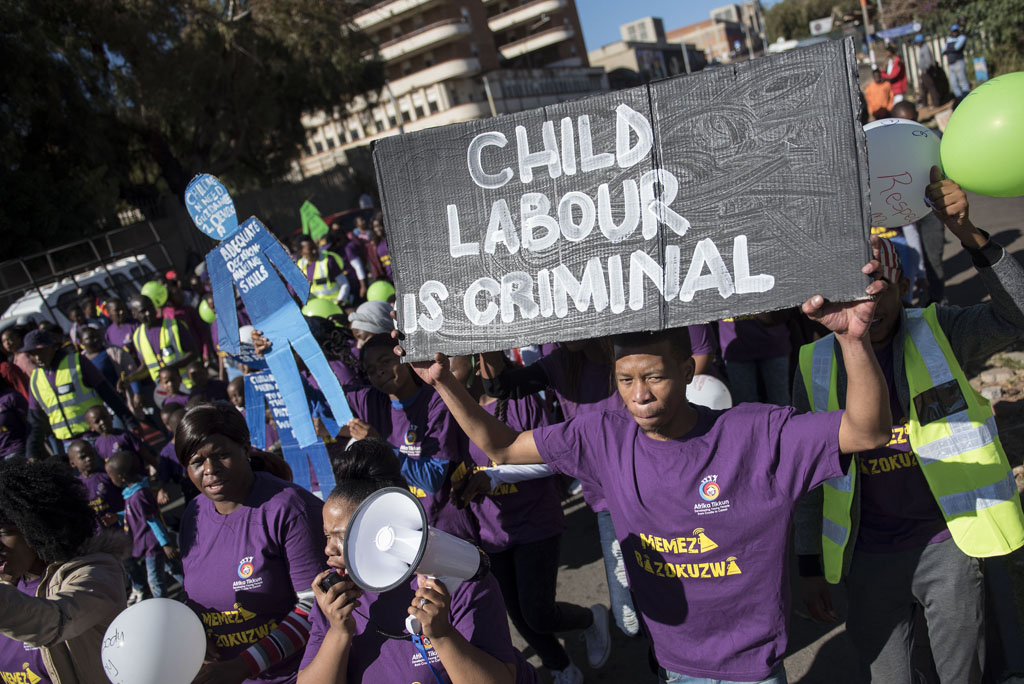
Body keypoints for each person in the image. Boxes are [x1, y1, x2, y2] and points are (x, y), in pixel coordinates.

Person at [395, 246, 894, 682]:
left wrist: (853, 339)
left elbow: (866, 432)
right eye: (625, 380)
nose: (639, 395)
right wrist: (443, 382)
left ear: (685, 369)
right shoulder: (601, 437)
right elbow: (502, 447)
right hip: (673, 665)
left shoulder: (754, 432)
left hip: (753, 669)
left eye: (653, 377)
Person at [794, 172, 1024, 683]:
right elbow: (808, 478)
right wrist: (809, 565)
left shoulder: (941, 330)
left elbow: (1018, 315)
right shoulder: (813, 363)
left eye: (877, 293)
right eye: (852, 298)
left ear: (903, 286)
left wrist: (969, 234)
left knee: (960, 673)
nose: (866, 310)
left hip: (949, 544)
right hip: (868, 555)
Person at [297, 439, 540, 684]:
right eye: (327, 535)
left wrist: (443, 636)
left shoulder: (456, 575)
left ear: (383, 528)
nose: (328, 548)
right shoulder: (334, 602)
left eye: (343, 537)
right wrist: (338, 633)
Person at [450, 354, 608, 684]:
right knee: (519, 616)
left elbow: (554, 459)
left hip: (538, 524)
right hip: (493, 531)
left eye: (452, 359)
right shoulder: (454, 412)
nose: (446, 367)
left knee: (537, 612)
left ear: (478, 362)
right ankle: (562, 666)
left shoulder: (524, 403)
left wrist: (492, 477)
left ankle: (590, 619)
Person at [176, 402, 325, 683]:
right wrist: (195, 635)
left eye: (221, 455)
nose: (210, 469)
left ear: (245, 448)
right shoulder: (193, 515)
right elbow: (193, 594)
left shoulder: (289, 508)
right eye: (197, 462)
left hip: (297, 675)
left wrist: (242, 666)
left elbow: (316, 607)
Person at [0, 459, 126, 683]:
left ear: (37, 525)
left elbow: (55, 621)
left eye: (3, 532)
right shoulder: (8, 585)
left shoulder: (95, 573)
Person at [343, 334, 471, 538]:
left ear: (404, 358)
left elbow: (432, 480)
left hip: (442, 531)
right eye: (371, 370)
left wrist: (379, 447)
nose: (380, 372)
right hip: (395, 532)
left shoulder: (435, 402)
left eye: (385, 362)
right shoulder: (369, 399)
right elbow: (319, 401)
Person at [22, 330, 138, 461]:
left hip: (96, 436)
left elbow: (108, 394)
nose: (37, 358)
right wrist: (32, 452)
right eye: (32, 354)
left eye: (41, 352)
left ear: (53, 347)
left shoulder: (77, 362)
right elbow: (35, 420)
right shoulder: (35, 379)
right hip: (68, 445)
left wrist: (130, 421)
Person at [105, 450, 181, 603]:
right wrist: (118, 516)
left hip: (152, 545)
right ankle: (193, 587)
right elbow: (134, 514)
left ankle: (162, 607)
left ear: (121, 477)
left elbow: (153, 520)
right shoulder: (132, 494)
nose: (110, 479)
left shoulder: (139, 496)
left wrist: (165, 543)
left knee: (155, 580)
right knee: (172, 568)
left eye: (111, 476)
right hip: (151, 544)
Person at [124, 294, 198, 401]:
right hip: (165, 394)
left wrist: (170, 368)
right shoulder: (138, 336)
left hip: (187, 387)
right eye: (143, 311)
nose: (149, 313)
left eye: (150, 308)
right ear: (134, 314)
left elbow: (194, 353)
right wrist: (130, 378)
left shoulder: (174, 325)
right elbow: (145, 367)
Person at [67, 439, 123, 529]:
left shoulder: (109, 475)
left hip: (120, 528)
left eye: (91, 454)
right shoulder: (75, 486)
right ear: (72, 463)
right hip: (100, 536)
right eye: (83, 457)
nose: (88, 458)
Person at [296, 235, 351, 306]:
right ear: (301, 252)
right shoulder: (299, 265)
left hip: (335, 305)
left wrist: (339, 302)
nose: (314, 251)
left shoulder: (328, 261)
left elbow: (344, 284)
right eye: (310, 249)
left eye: (315, 247)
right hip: (316, 308)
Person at [943, 24, 970, 101]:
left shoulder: (962, 37)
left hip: (959, 62)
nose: (954, 33)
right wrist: (949, 49)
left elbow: (956, 47)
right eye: (953, 31)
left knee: (963, 82)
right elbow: (943, 51)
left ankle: (967, 98)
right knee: (953, 84)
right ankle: (960, 99)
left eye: (956, 31)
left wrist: (948, 49)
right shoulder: (949, 40)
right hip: (950, 64)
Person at [914, 34, 941, 109]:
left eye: (917, 42)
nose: (917, 44)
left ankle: (936, 104)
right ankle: (924, 104)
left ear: (920, 42)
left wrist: (926, 69)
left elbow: (928, 61)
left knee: (931, 87)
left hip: (927, 72)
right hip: (924, 72)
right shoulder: (923, 48)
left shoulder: (925, 48)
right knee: (924, 88)